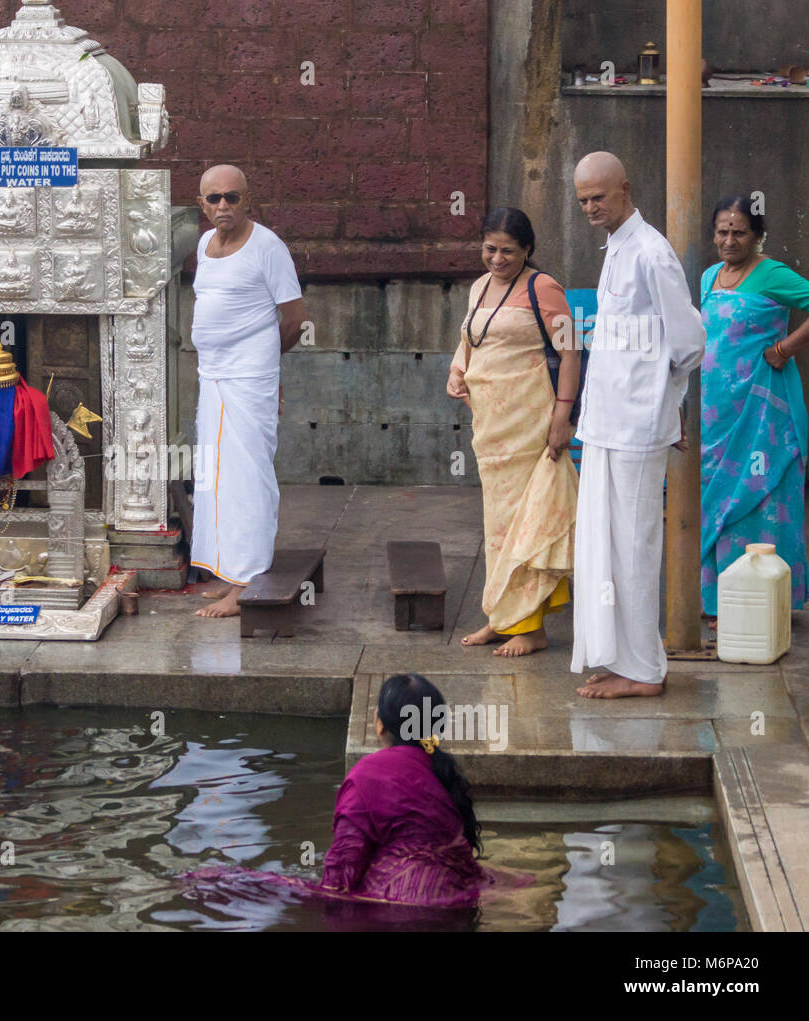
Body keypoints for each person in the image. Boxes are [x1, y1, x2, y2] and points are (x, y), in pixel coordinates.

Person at [570, 152, 706, 699]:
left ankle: (645, 670)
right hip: (605, 421)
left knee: (635, 543)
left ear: (624, 189)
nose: (590, 208)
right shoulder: (616, 250)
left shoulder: (652, 253)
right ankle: (620, 656)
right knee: (605, 545)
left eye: (598, 197)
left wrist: (669, 404)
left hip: (637, 425)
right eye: (582, 200)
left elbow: (690, 343)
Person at [447, 208, 580, 657]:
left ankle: (532, 627)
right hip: (491, 427)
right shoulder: (479, 287)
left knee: (530, 520)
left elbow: (572, 352)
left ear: (528, 250)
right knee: (498, 525)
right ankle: (502, 618)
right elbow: (470, 341)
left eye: (508, 250)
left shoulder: (543, 287)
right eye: (489, 248)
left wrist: (562, 417)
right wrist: (457, 370)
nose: (497, 258)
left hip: (532, 424)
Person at [189, 164, 308, 619]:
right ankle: (227, 570)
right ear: (201, 204)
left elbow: (295, 318)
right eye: (214, 198)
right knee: (216, 475)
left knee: (247, 477)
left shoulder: (267, 246)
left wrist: (264, 364)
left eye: (232, 198)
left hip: (249, 380)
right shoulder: (203, 244)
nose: (223, 206)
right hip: (212, 376)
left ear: (248, 200)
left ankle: (248, 582)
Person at [700, 195, 809, 615]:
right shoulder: (710, 276)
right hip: (716, 416)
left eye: (739, 232)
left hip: (763, 415)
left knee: (757, 502)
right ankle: (716, 602)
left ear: (757, 236)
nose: (729, 240)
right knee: (717, 504)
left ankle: (762, 605)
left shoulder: (771, 274)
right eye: (722, 232)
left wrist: (785, 347)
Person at [321, 674, 489, 907]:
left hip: (399, 911)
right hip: (459, 907)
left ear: (379, 723)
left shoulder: (368, 775)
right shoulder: (444, 772)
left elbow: (341, 873)